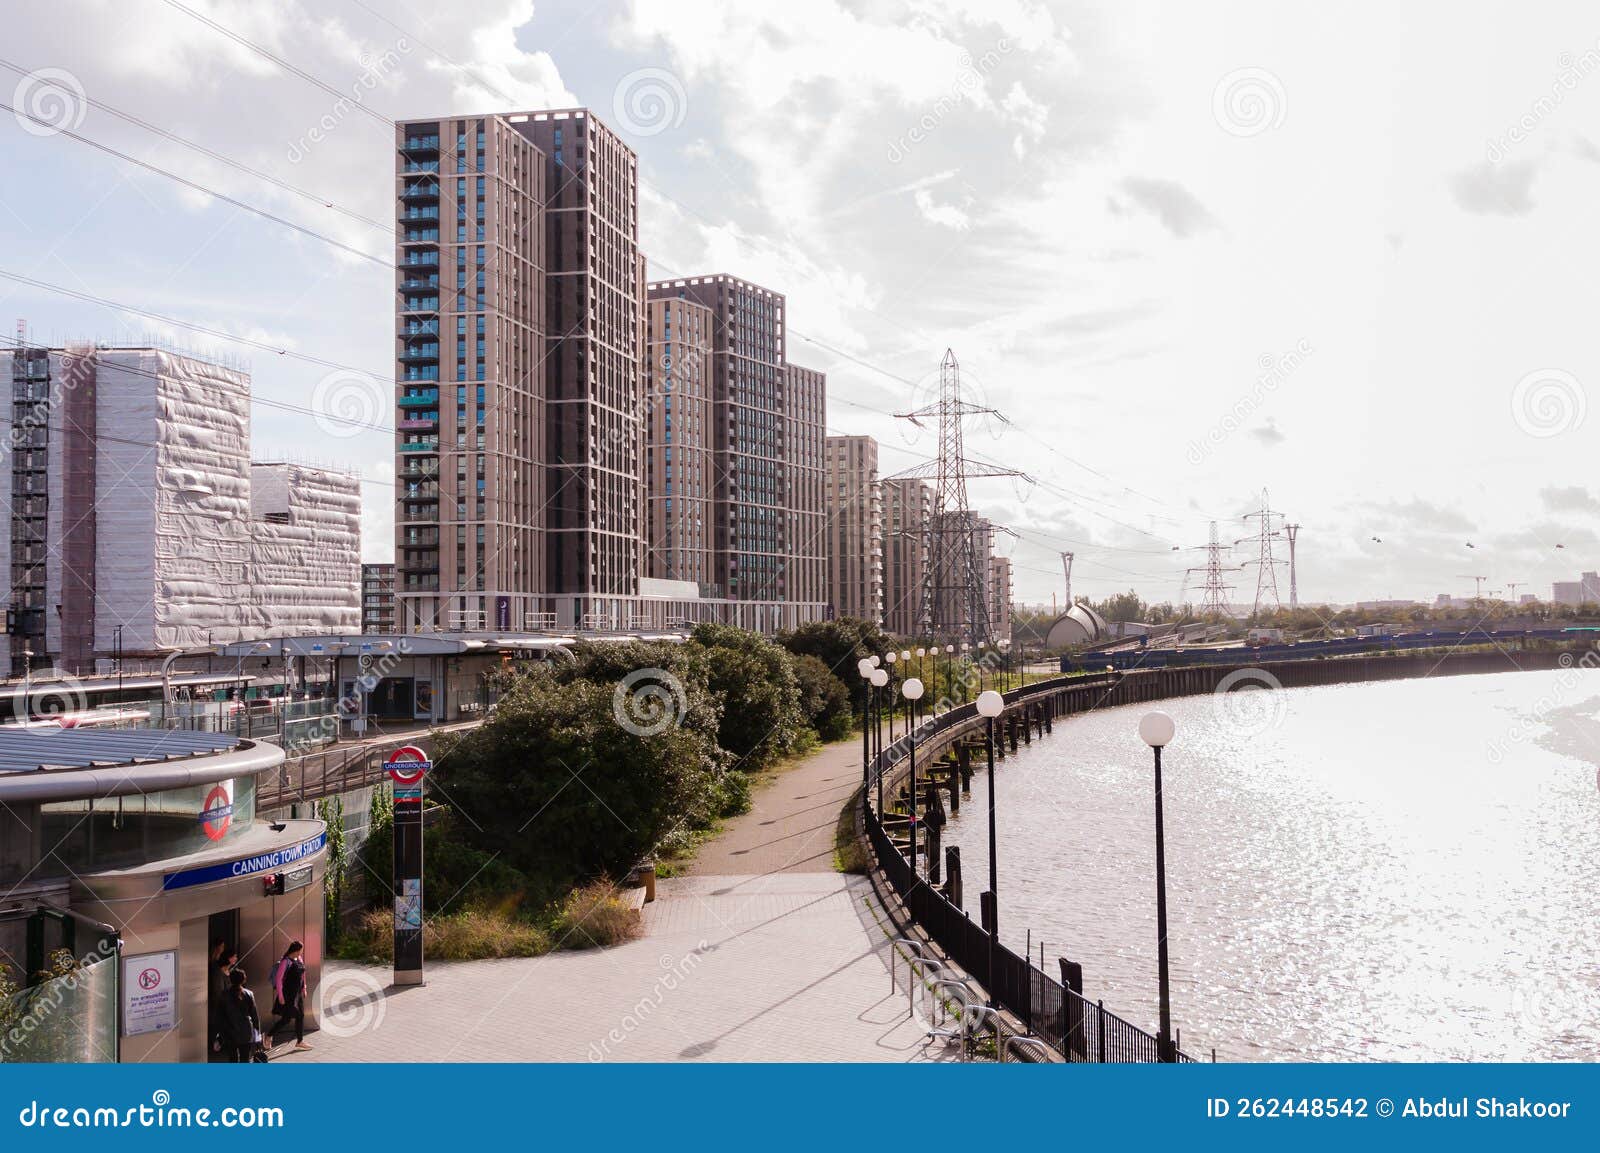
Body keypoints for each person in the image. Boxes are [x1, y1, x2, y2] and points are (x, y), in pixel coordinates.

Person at [268, 941, 312, 1052]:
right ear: (296, 950)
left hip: (297, 994)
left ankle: (299, 1041)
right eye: (301, 950)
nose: (302, 952)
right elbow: (278, 979)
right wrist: (281, 996)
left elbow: (303, 974)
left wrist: (304, 988)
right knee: (291, 1018)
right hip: (288, 995)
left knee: (294, 1017)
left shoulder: (299, 959)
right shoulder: (285, 961)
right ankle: (269, 1036)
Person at [217, 968, 261, 1064]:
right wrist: (258, 1037)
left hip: (229, 1031)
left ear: (230, 980)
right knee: (245, 1059)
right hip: (246, 1031)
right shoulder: (249, 994)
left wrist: (219, 1036)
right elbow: (255, 1017)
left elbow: (220, 1017)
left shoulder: (224, 995)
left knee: (232, 1058)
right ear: (244, 980)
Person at [208, 938, 237, 1058]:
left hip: (228, 1004)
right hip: (222, 1005)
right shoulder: (218, 972)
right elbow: (218, 991)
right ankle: (216, 1044)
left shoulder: (229, 971)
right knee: (219, 1024)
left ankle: (223, 1042)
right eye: (234, 956)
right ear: (229, 958)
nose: (236, 958)